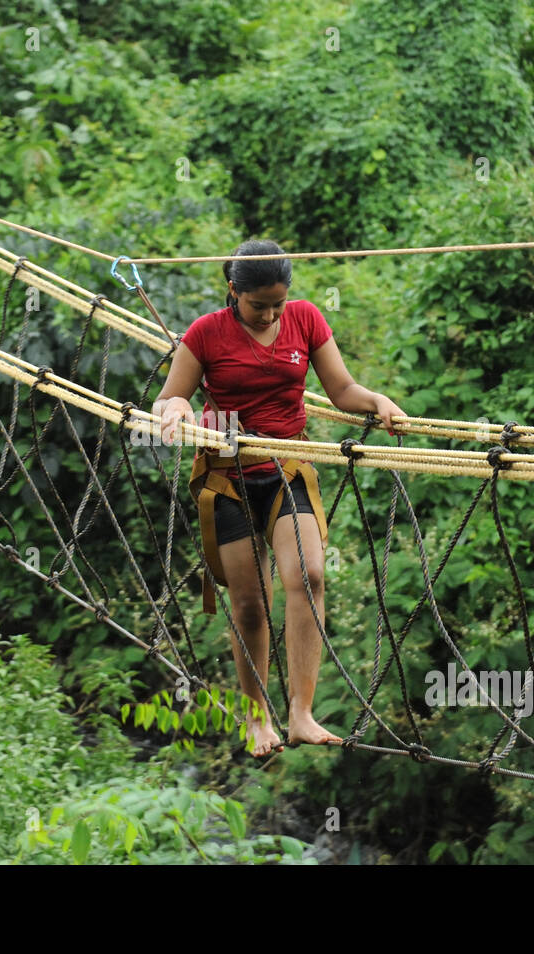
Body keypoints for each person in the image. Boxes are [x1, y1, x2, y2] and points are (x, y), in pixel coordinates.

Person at [157, 239, 406, 757]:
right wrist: (177, 410)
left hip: (287, 469)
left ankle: (301, 713)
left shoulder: (306, 320)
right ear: (233, 291)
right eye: (257, 305)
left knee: (310, 577)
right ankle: (256, 718)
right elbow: (172, 396)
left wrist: (377, 400)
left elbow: (342, 390)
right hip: (228, 476)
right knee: (249, 605)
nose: (270, 314)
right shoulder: (205, 333)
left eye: (277, 303)